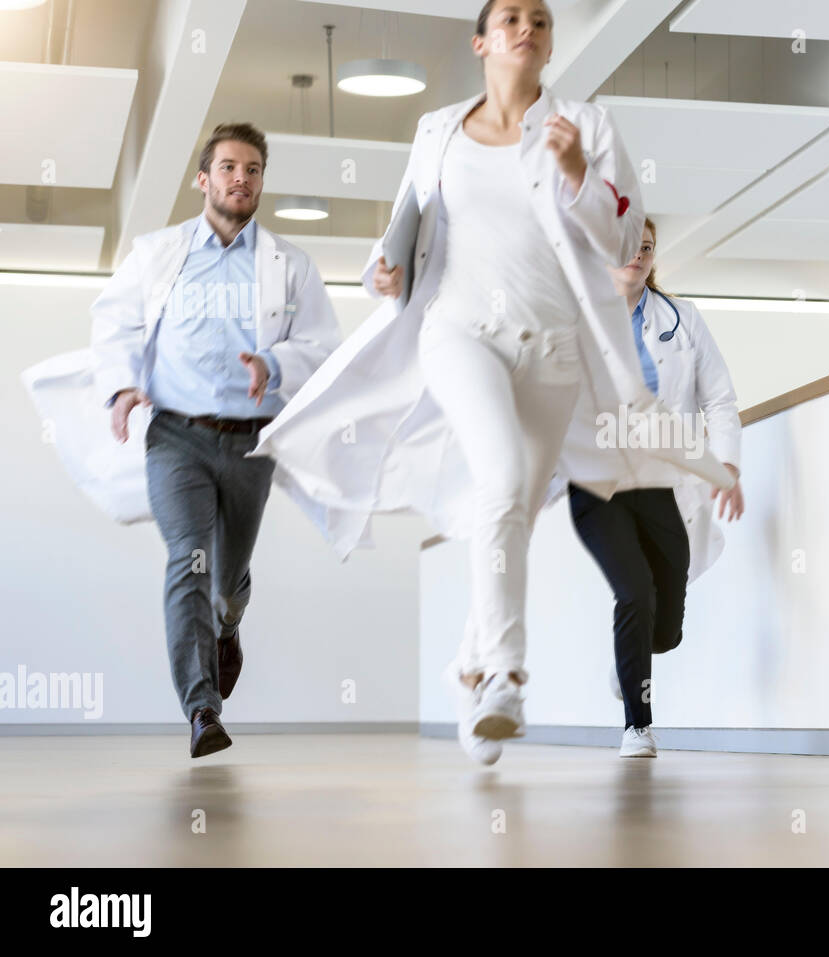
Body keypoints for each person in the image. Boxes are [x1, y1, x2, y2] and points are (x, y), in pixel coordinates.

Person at [251, 0, 735, 766]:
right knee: (504, 476)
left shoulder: (588, 127)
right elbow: (407, 225)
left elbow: (625, 231)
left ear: (549, 42)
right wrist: (385, 269)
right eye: (510, 17)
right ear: (481, 41)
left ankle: (466, 668)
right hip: (460, 331)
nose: (527, 27)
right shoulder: (438, 130)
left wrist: (577, 173)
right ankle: (506, 676)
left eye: (540, 19)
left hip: (556, 351)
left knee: (507, 508)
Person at [87, 122, 341, 757]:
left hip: (252, 443)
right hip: (177, 436)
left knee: (225, 580)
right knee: (187, 561)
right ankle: (202, 709)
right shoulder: (157, 253)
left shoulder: (291, 265)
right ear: (204, 178)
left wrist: (274, 365)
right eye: (228, 167)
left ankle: (229, 624)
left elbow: (323, 346)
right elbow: (113, 321)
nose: (241, 178)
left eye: (253, 169)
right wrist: (121, 389)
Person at [568, 217, 744, 758]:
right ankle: (637, 725)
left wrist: (727, 464)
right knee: (634, 589)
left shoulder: (681, 319)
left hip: (662, 482)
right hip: (600, 484)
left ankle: (629, 663)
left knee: (665, 631)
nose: (640, 256)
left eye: (647, 247)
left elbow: (718, 399)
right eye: (630, 247)